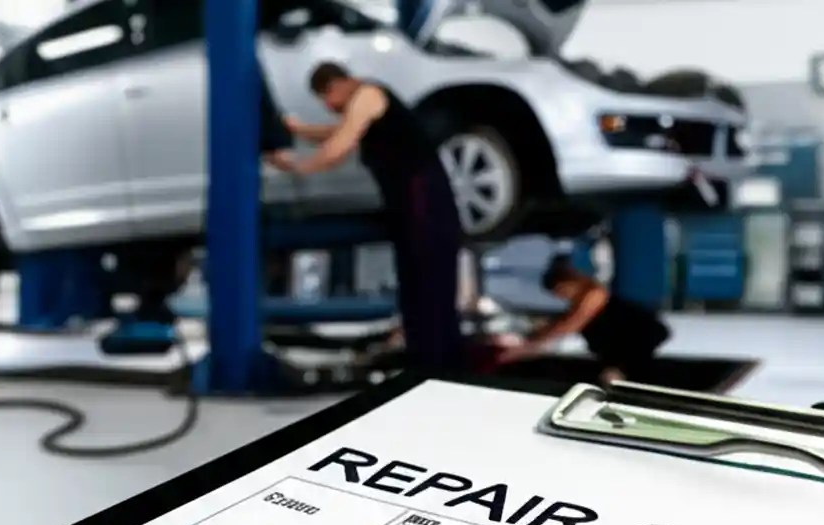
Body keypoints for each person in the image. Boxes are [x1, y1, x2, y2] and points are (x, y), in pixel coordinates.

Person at [281, 62, 465, 373]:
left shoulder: (368, 95)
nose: (329, 107)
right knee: (416, 286)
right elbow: (335, 133)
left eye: (327, 98)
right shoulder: (364, 107)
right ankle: (426, 363)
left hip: (424, 204)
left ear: (339, 84)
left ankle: (440, 366)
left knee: (429, 285)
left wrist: (299, 166)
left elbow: (340, 144)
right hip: (409, 208)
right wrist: (298, 130)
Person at [496, 255, 670, 385]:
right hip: (617, 354)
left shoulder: (594, 295)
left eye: (561, 290)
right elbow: (562, 325)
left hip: (638, 347)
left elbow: (571, 324)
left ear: (571, 282)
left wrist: (529, 346)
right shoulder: (577, 306)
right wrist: (532, 339)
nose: (562, 296)